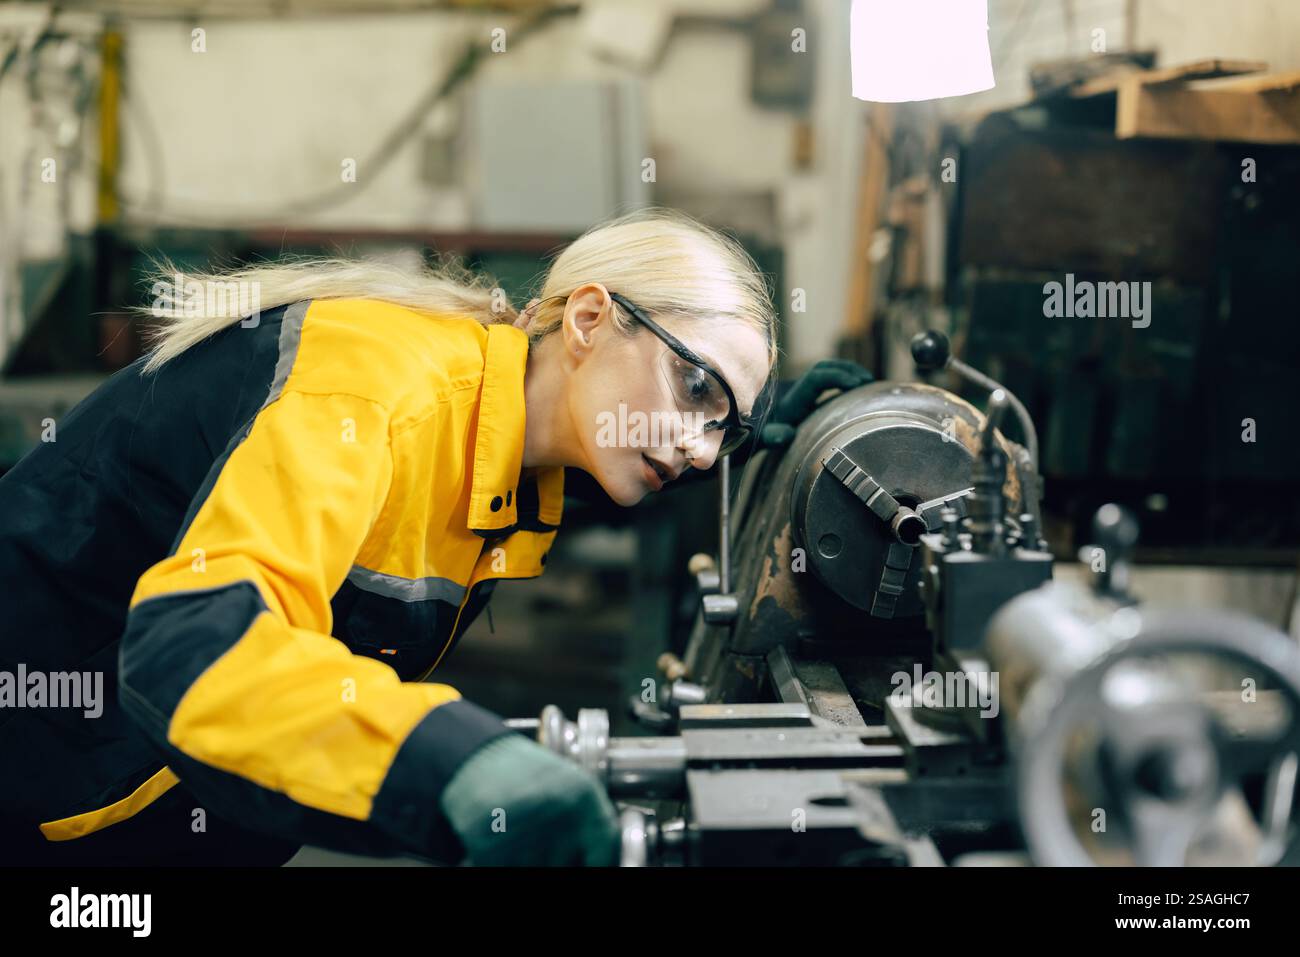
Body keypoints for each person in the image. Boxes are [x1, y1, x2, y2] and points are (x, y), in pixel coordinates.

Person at [0, 208, 784, 866]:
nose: (703, 450)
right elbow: (194, 645)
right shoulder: (378, 392)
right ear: (587, 318)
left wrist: (782, 440)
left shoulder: (511, 458)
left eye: (730, 426)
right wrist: (451, 760)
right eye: (696, 386)